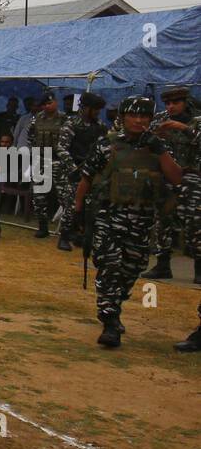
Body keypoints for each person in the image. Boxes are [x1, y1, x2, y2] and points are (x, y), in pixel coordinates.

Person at [73, 95, 184, 347]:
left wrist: (160, 150)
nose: (138, 120)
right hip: (109, 217)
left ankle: (115, 306)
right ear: (122, 118)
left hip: (142, 220)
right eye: (133, 115)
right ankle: (110, 321)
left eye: (144, 116)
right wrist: (77, 212)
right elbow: (86, 180)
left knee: (131, 269)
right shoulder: (106, 145)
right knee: (110, 267)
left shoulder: (158, 148)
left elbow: (177, 178)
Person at [142, 85, 201, 282]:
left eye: (176, 102)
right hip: (165, 176)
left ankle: (199, 269)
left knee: (194, 222)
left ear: (185, 102)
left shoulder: (197, 121)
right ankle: (162, 265)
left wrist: (185, 129)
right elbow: (146, 141)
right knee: (162, 221)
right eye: (167, 103)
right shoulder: (160, 119)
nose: (171, 107)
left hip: (192, 178)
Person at [56, 92, 106, 251]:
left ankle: (80, 234)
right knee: (71, 205)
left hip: (91, 172)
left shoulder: (99, 126)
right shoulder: (71, 124)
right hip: (73, 171)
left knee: (89, 205)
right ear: (84, 108)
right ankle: (64, 236)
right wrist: (73, 168)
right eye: (95, 109)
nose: (98, 112)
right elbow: (62, 149)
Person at [29, 89, 74, 239]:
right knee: (38, 196)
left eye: (49, 103)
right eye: (44, 104)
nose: (47, 107)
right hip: (41, 159)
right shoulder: (37, 119)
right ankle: (43, 227)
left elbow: (70, 141)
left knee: (64, 197)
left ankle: (68, 231)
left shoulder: (64, 119)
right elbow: (31, 136)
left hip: (57, 161)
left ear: (56, 102)